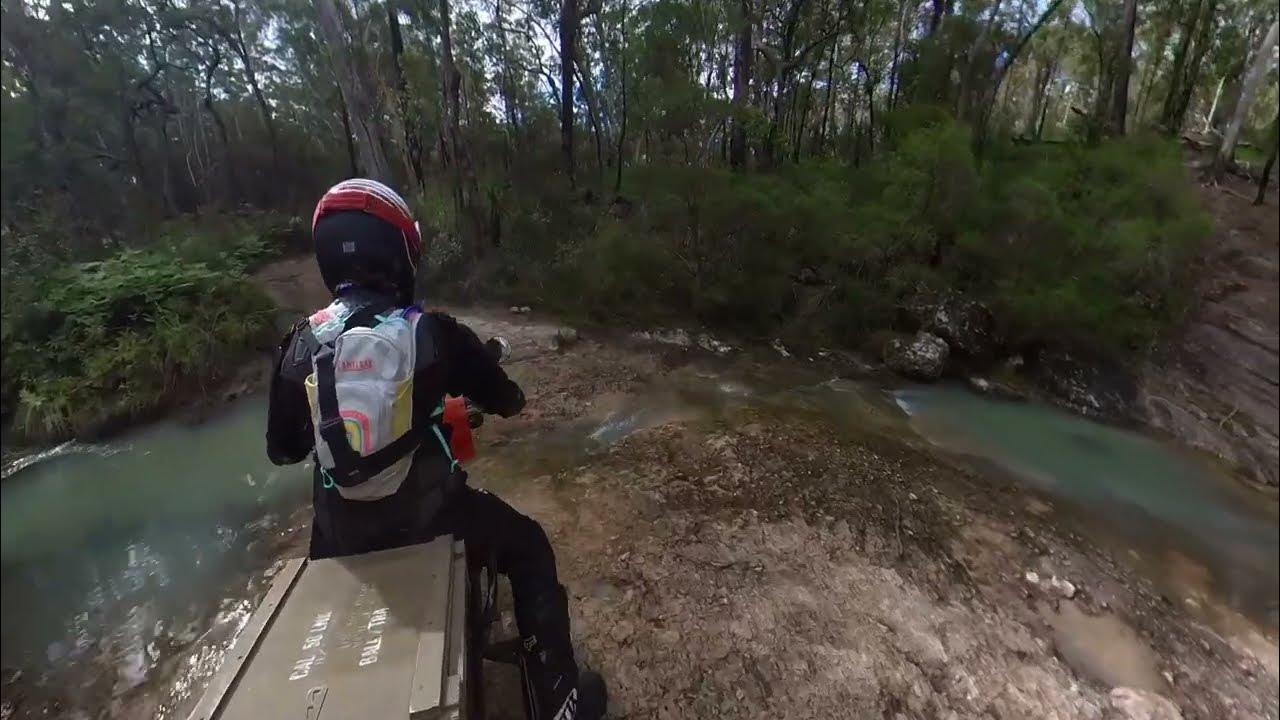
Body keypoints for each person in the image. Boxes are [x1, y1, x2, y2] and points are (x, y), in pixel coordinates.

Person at [265, 178, 606, 720]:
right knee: (530, 546)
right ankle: (561, 701)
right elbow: (504, 400)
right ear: (398, 253)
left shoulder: (298, 343)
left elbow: (282, 450)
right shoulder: (431, 333)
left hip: (337, 534)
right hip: (432, 518)